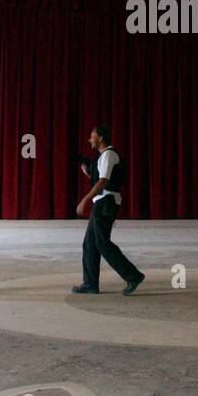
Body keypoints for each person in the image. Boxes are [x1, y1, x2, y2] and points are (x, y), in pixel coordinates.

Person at [72, 125, 145, 296]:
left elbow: (104, 182)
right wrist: (88, 174)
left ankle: (133, 276)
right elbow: (102, 179)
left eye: (92, 136)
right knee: (90, 244)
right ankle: (90, 284)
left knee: (102, 244)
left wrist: (84, 200)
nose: (89, 139)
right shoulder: (103, 157)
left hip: (106, 203)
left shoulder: (108, 154)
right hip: (102, 202)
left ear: (101, 138)